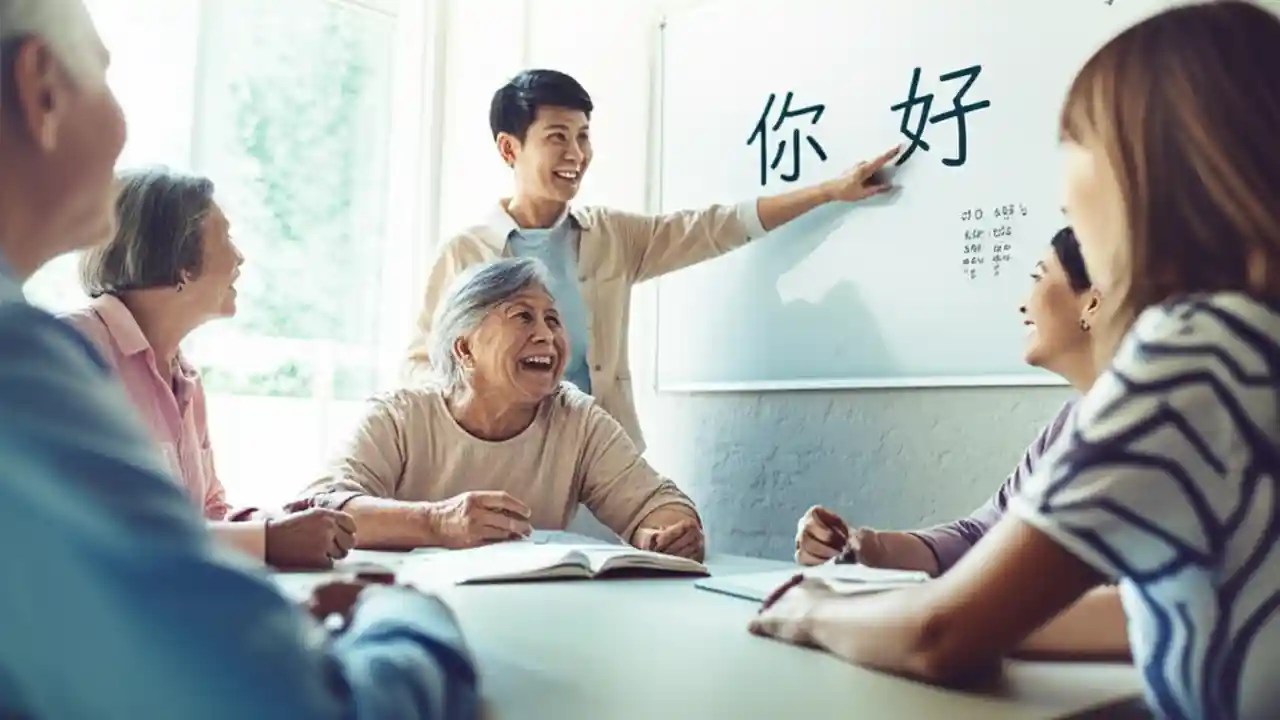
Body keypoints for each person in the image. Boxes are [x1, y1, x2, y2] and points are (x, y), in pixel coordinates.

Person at [750, 3, 1280, 718]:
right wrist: (887, 567)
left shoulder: (1196, 354)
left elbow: (943, 635)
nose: (1064, 191)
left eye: (1079, 144)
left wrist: (811, 612)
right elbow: (1134, 601)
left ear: (1150, 164)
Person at [0, 1, 476, 717]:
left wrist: (266, 562)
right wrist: (413, 621)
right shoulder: (40, 361)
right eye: (104, 73)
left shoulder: (178, 377)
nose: (244, 255)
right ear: (41, 89)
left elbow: (189, 526)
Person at [405, 68, 902, 451]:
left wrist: (830, 191)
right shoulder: (465, 254)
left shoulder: (611, 236)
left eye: (583, 136)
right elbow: (420, 367)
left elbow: (714, 227)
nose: (575, 152)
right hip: (498, 460)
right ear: (509, 148)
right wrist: (474, 420)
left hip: (597, 460)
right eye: (557, 136)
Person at [305, 257, 705, 560]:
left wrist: (667, 532)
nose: (547, 335)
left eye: (553, 320)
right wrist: (436, 523)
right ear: (464, 348)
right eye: (523, 317)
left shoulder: (577, 420)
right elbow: (321, 506)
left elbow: (656, 504)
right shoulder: (399, 417)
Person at [62, 167, 355, 569]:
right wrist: (268, 541)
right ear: (183, 262)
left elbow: (207, 513)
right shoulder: (74, 350)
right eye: (227, 236)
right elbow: (100, 524)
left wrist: (273, 522)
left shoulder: (183, 376)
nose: (239, 256)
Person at [795, 227, 1099, 575]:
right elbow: (980, 535)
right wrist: (861, 546)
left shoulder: (1148, 430)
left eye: (1038, 277)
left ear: (1092, 302)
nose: (1022, 304)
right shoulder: (1069, 421)